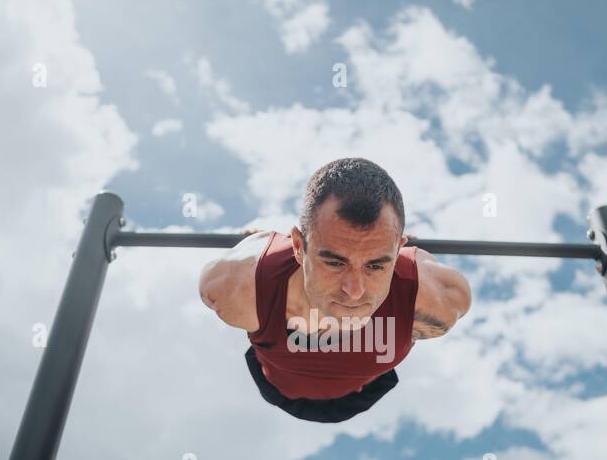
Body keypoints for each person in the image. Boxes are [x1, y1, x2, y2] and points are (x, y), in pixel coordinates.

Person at [198, 157, 471, 422]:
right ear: (297, 247)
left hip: (359, 393)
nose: (354, 291)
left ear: (399, 250)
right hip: (278, 387)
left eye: (375, 266)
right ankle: (272, 242)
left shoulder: (436, 300)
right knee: (258, 257)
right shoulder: (238, 289)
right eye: (334, 262)